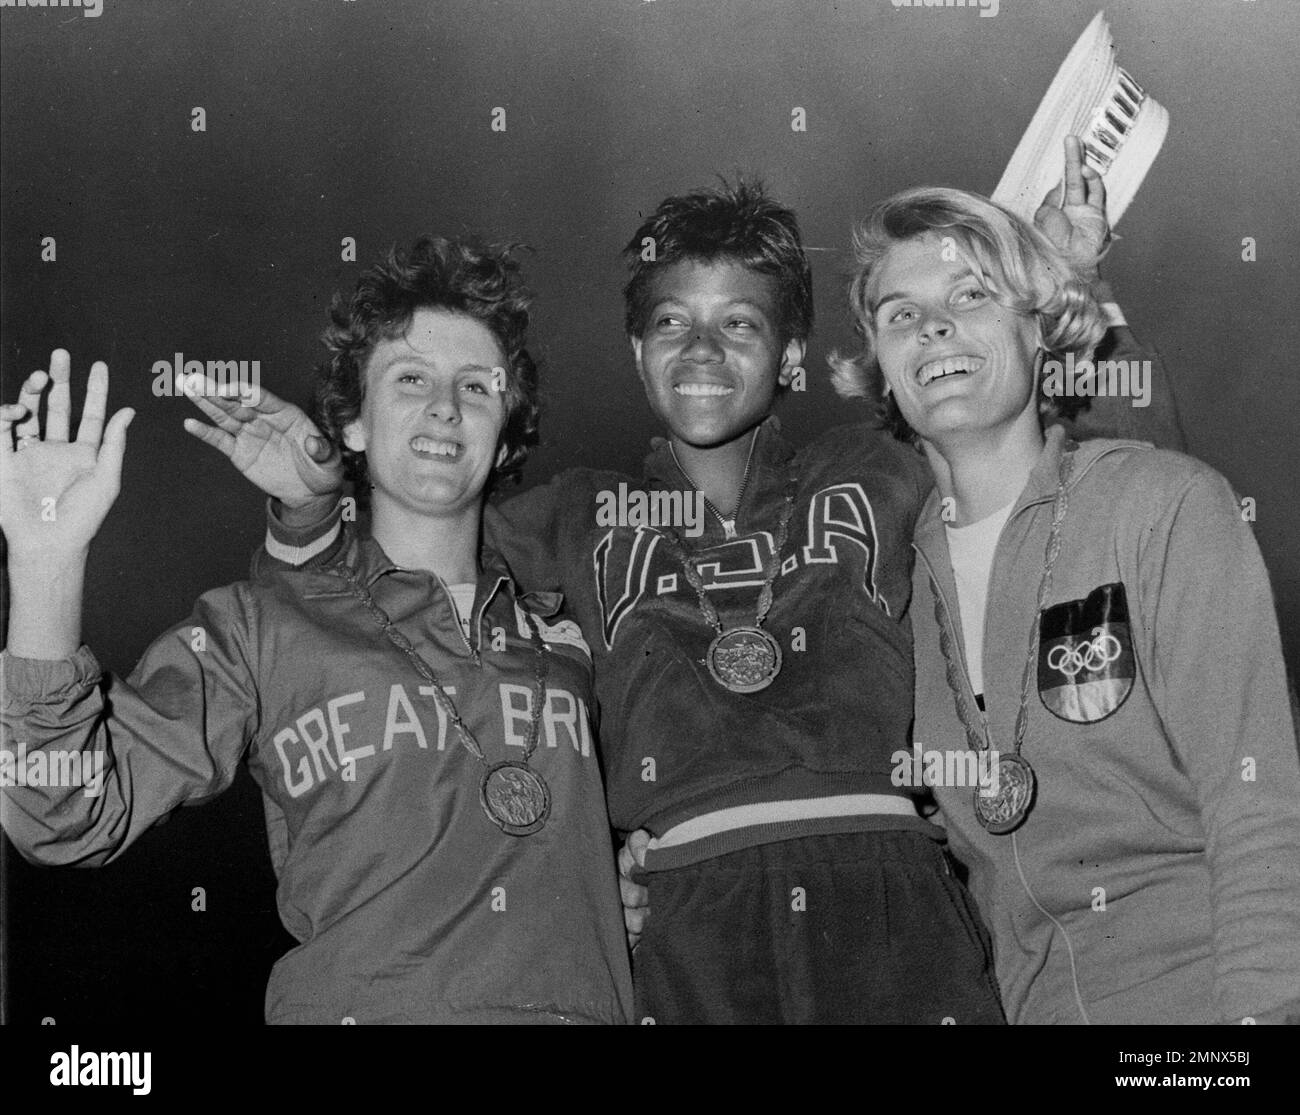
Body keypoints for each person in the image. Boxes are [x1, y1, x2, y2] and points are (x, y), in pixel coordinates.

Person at [0, 238, 635, 1025]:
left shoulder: (572, 629)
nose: (445, 405)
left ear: (505, 434)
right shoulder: (264, 626)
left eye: (477, 386)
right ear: (353, 425)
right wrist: (46, 562)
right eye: (411, 379)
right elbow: (60, 812)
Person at [830, 182, 1300, 1024]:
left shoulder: (1161, 506)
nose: (933, 327)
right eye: (901, 314)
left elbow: (1258, 804)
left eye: (970, 295)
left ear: (1040, 327)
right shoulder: (889, 586)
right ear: (881, 370)